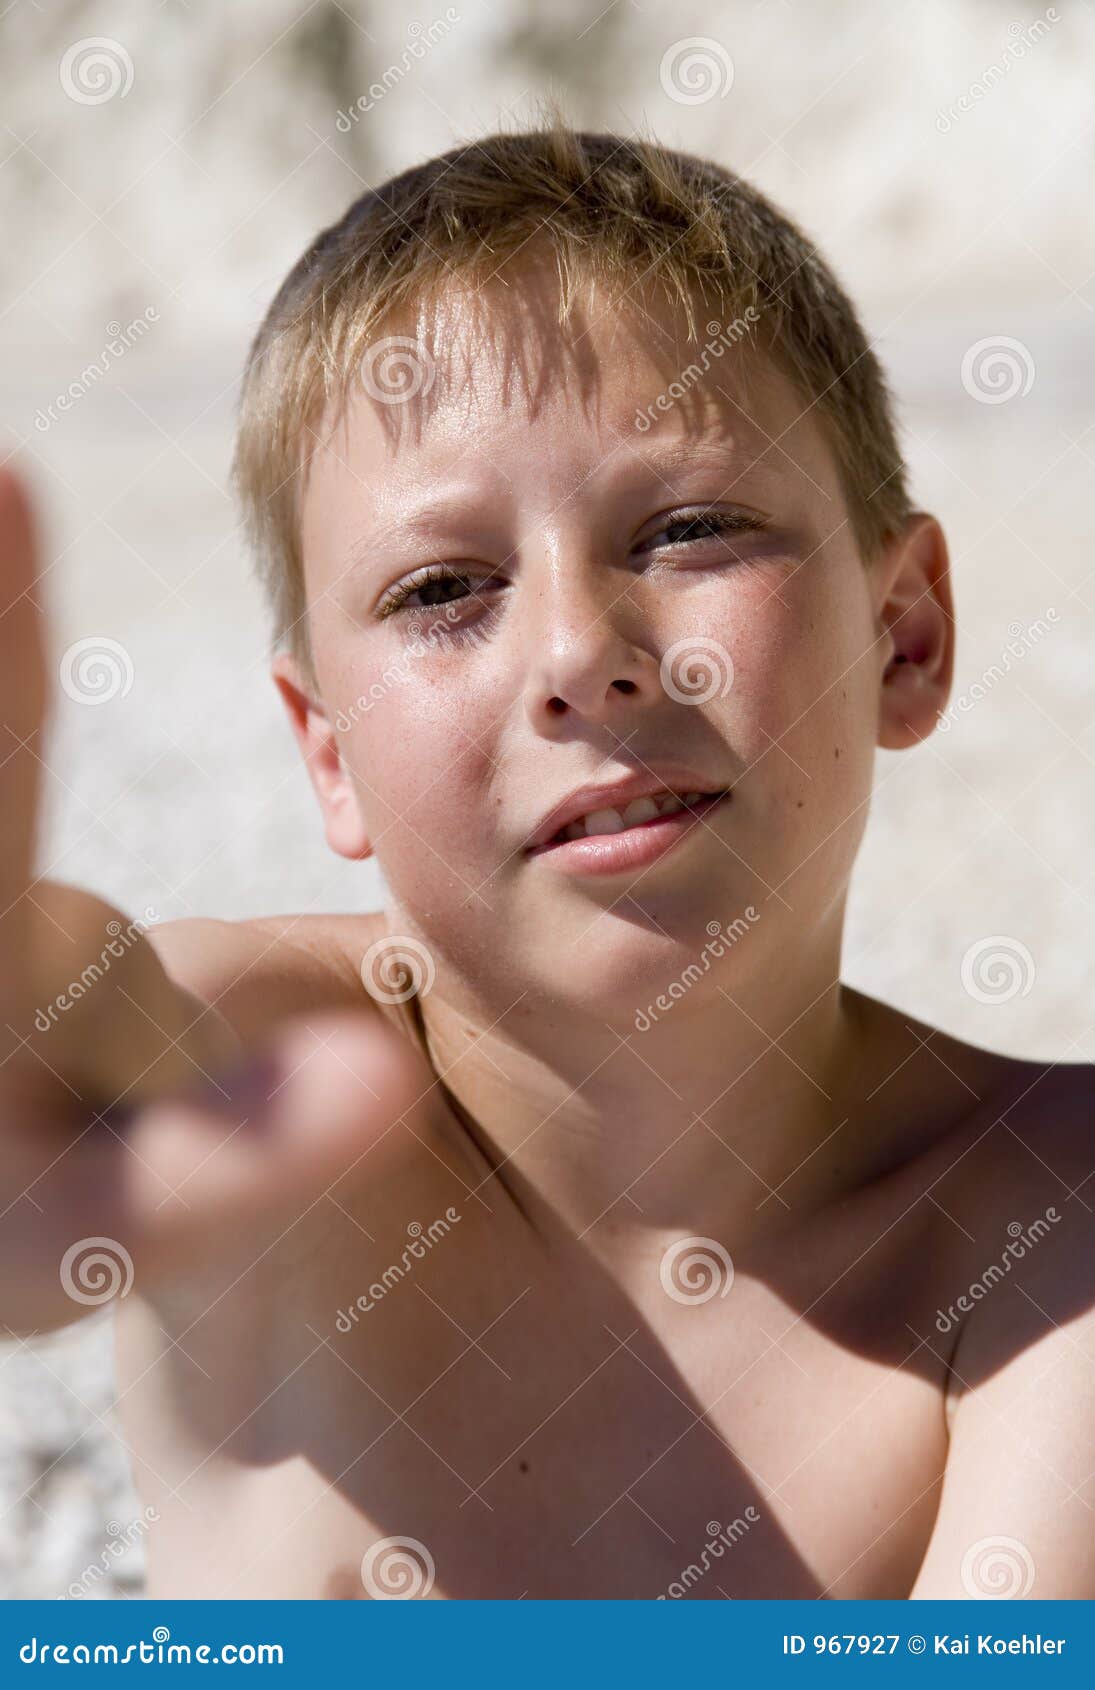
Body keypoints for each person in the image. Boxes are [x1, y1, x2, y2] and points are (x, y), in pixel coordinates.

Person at [3, 121, 1092, 1601]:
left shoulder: (1048, 1225)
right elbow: (105, 1016)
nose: (582, 652)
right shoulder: (285, 1116)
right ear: (328, 752)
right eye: (446, 588)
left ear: (903, 634)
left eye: (691, 529)